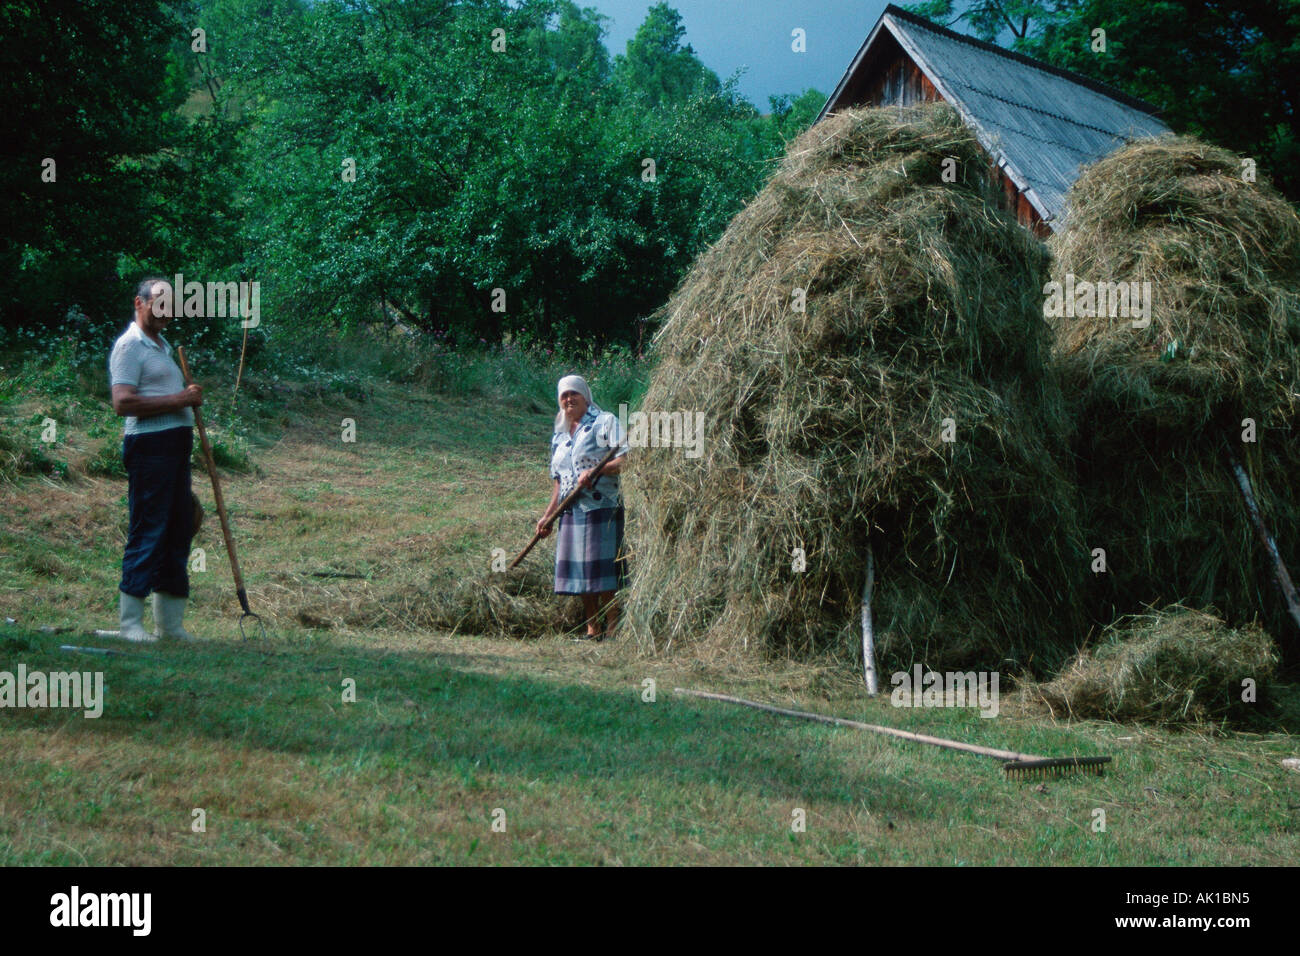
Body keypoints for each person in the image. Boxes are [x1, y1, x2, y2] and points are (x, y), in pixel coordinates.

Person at [107, 277, 204, 642]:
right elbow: (123, 403)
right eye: (158, 304)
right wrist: (179, 401)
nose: (165, 312)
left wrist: (186, 399)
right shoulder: (129, 346)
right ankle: (130, 625)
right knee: (150, 528)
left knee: (180, 526)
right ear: (139, 303)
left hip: (176, 448)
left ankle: (170, 627)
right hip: (149, 448)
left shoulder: (160, 347)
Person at [536, 375, 629, 640]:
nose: (568, 399)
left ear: (585, 396)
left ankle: (612, 626)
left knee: (603, 571)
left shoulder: (605, 421)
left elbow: (626, 460)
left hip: (601, 506)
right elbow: (559, 481)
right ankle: (592, 628)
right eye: (564, 395)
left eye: (573, 394)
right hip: (570, 510)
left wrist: (597, 471)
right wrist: (547, 517)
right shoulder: (560, 433)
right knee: (581, 572)